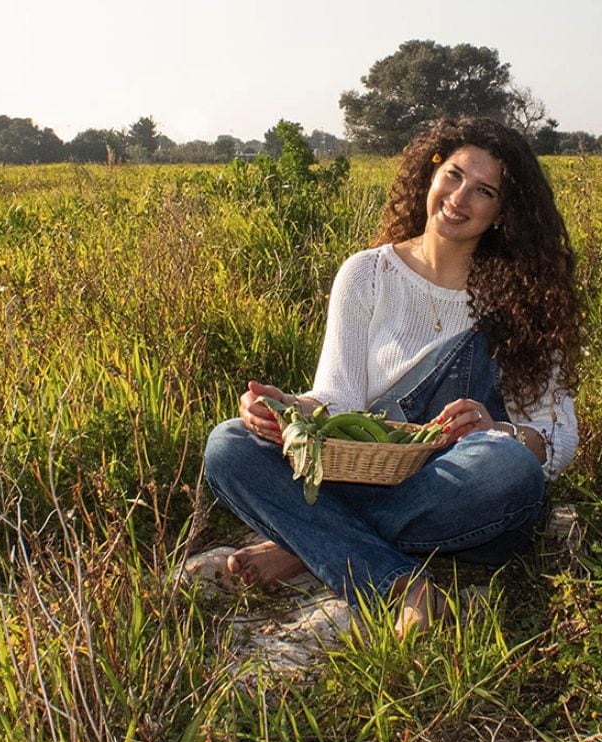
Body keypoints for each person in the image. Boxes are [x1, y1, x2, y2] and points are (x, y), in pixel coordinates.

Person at [204, 116, 581, 634]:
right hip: (365, 473)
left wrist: (501, 430)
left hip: (460, 491)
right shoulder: (367, 274)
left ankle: (305, 544)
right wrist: (285, 409)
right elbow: (336, 398)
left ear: (501, 213)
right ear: (430, 174)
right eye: (453, 176)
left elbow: (557, 438)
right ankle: (399, 583)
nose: (459, 198)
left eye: (484, 191)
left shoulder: (523, 300)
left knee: (507, 466)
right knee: (229, 445)